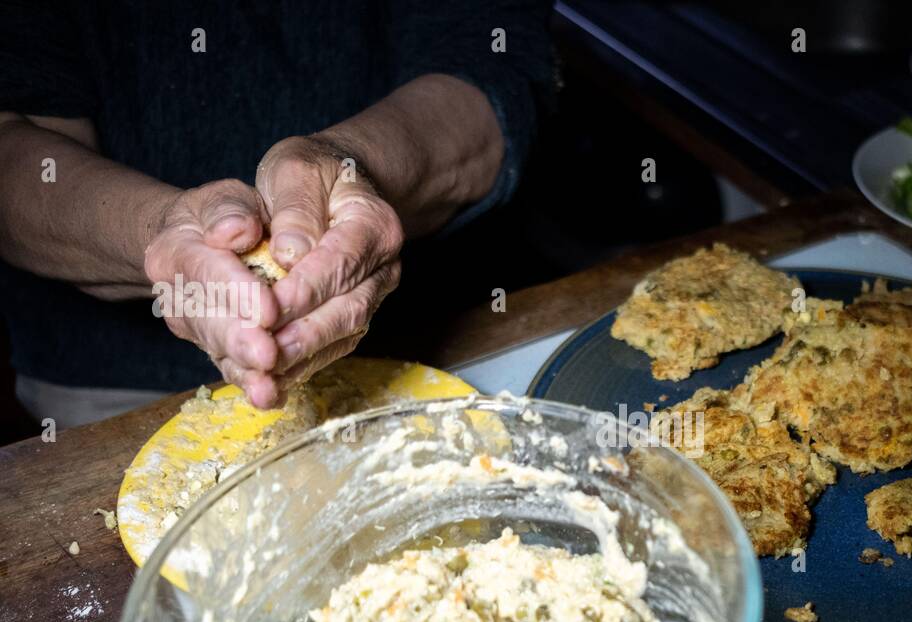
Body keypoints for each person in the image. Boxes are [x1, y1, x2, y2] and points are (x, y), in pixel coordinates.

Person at [0, 0, 554, 425]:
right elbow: (13, 154)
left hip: (443, 335)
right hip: (113, 382)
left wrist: (356, 166)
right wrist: (159, 231)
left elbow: (493, 67)